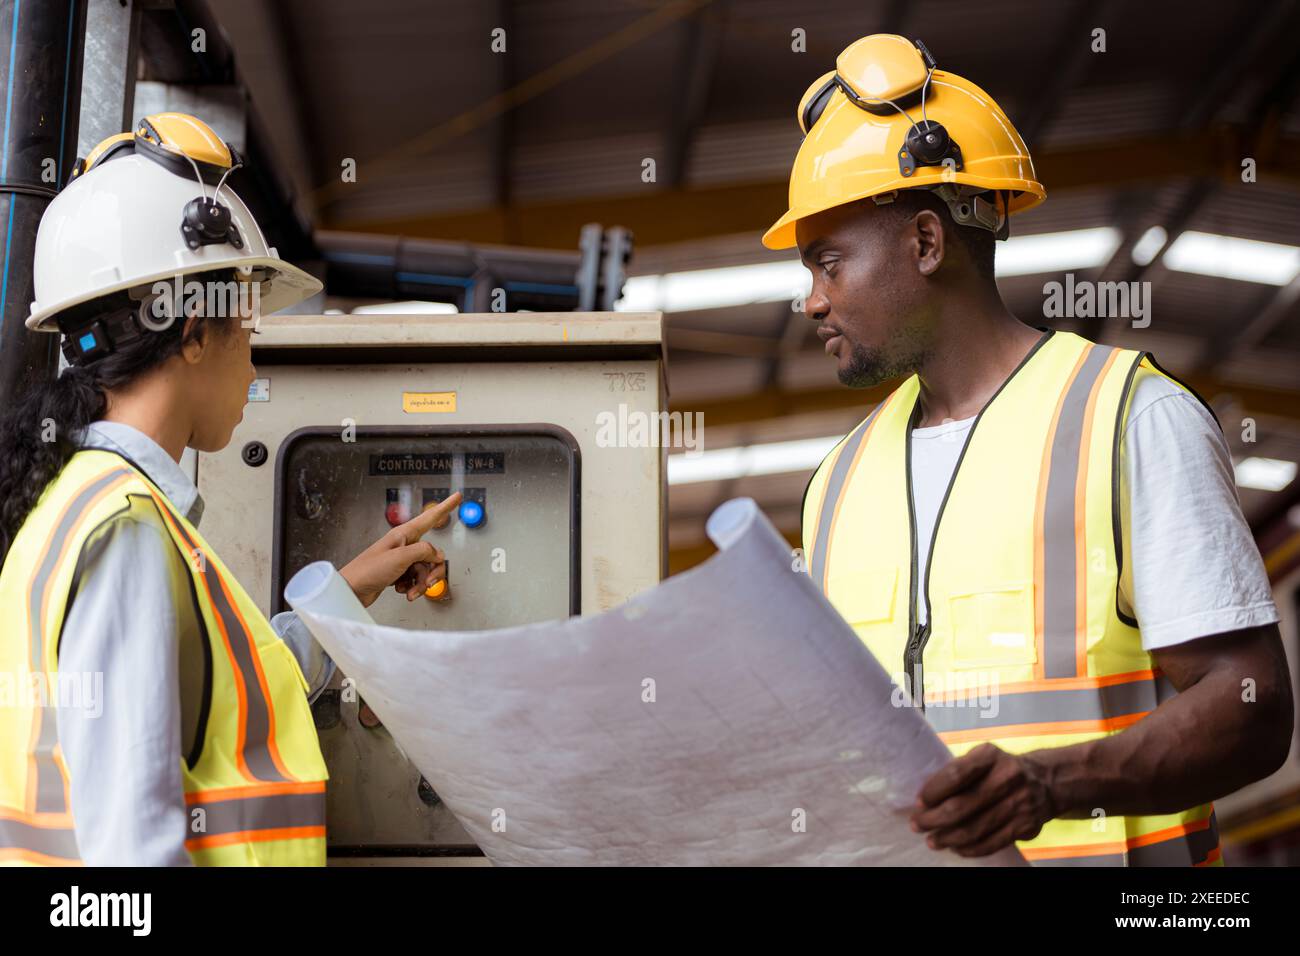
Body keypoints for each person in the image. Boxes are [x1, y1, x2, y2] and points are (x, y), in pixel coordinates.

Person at [767, 35, 1293, 865]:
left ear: (927, 244)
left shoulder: (1128, 418)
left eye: (828, 264)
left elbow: (1251, 707)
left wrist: (1050, 786)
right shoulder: (837, 483)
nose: (811, 301)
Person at [0, 113, 459, 866]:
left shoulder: (77, 504)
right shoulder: (128, 530)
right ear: (191, 332)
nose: (252, 370)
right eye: (247, 334)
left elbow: (227, 698)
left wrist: (349, 589)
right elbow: (133, 853)